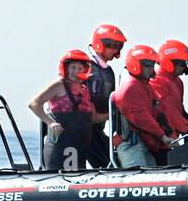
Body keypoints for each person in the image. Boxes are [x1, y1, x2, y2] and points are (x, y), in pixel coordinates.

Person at [28, 50, 96, 171]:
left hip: (79, 145)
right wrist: (50, 122)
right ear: (65, 68)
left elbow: (94, 117)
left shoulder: (85, 89)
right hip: (60, 146)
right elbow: (34, 104)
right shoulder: (59, 85)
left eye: (80, 68)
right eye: (73, 67)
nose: (76, 71)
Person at [112, 44, 177, 168]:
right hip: (130, 145)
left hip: (144, 143)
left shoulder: (145, 86)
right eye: (147, 65)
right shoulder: (130, 88)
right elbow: (142, 118)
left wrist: (169, 134)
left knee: (153, 175)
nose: (151, 68)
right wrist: (162, 136)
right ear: (135, 64)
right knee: (139, 179)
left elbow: (158, 112)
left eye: (152, 65)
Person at [149, 40, 188, 157]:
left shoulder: (177, 81)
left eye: (187, 63)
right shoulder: (156, 78)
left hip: (171, 139)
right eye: (183, 63)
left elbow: (179, 110)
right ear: (170, 62)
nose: (185, 68)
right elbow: (167, 109)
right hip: (158, 142)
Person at [83, 24, 126, 168]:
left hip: (97, 129)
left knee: (112, 162)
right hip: (83, 129)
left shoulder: (109, 72)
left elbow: (112, 102)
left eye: (118, 46)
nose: (115, 50)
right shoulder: (85, 66)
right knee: (105, 163)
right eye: (111, 45)